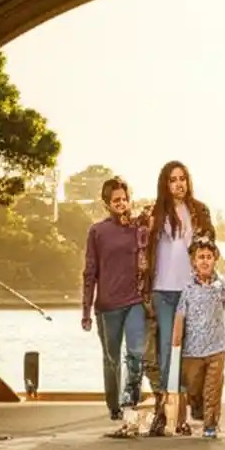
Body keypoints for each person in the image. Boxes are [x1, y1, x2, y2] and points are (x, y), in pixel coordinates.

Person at [143, 160, 217, 437]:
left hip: (191, 292)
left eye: (182, 178)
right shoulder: (155, 212)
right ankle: (164, 413)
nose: (178, 184)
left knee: (188, 356)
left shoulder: (199, 211)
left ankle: (185, 415)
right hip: (163, 291)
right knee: (165, 353)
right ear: (165, 183)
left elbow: (210, 244)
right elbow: (142, 248)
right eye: (173, 179)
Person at [81, 176, 149, 436]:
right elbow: (90, 272)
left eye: (124, 198)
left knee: (135, 353)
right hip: (107, 306)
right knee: (112, 359)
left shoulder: (139, 229)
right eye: (116, 200)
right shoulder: (97, 232)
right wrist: (86, 311)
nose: (121, 203)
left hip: (134, 301)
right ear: (107, 203)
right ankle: (114, 406)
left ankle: (129, 401)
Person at [172, 237, 225, 439]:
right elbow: (180, 315)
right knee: (194, 390)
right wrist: (176, 341)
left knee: (213, 389)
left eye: (209, 257)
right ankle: (198, 412)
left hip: (216, 347)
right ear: (194, 262)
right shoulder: (188, 288)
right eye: (201, 257)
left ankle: (211, 425)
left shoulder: (221, 286)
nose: (205, 261)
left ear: (215, 260)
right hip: (192, 350)